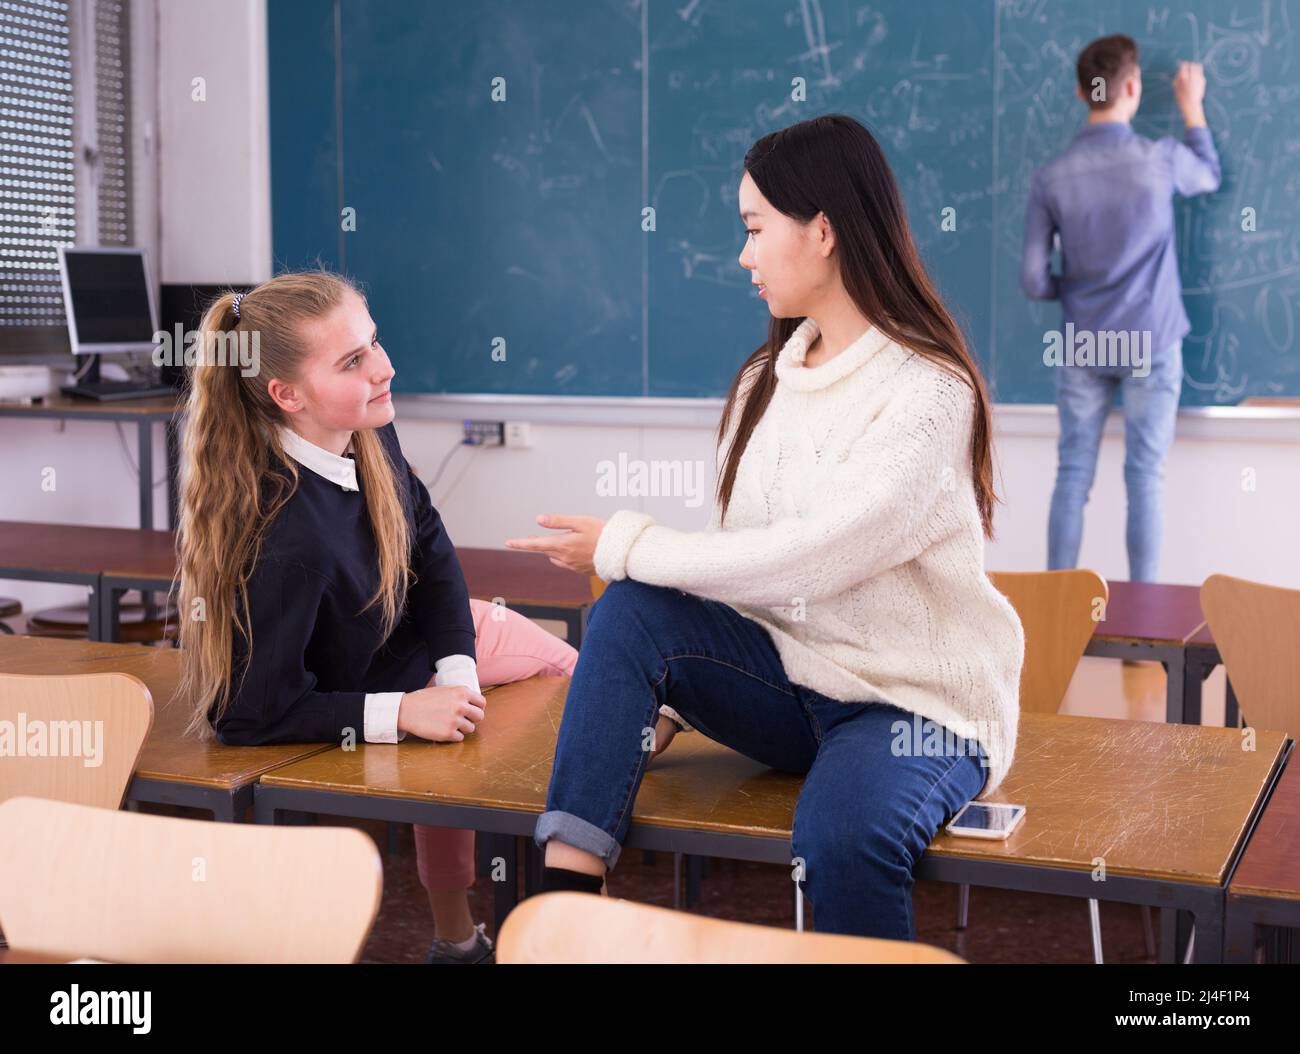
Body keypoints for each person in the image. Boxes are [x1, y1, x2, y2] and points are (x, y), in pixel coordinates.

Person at [507, 115, 1025, 939]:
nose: (743, 255)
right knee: (631, 609)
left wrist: (623, 542)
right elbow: (730, 568)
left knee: (843, 839)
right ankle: (562, 918)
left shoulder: (930, 393)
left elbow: (814, 558)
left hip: (907, 707)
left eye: (755, 229)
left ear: (823, 231)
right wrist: (662, 698)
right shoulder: (764, 379)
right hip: (788, 684)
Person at [174, 270, 577, 963]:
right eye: (353, 360)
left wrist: (454, 668)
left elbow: (431, 547)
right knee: (459, 745)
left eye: (375, 343)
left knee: (589, 694)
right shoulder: (284, 540)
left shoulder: (363, 434)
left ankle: (487, 936)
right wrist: (399, 713)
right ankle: (481, 937)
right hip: (377, 677)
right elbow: (243, 714)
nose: (385, 367)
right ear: (286, 394)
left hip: (431, 643)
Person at [1022, 34, 1221, 581]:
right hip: (1151, 337)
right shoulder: (1158, 159)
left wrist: (1079, 288)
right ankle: (1148, 622)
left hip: (1085, 340)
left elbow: (1034, 280)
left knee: (1073, 473)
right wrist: (1191, 107)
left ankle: (1052, 613)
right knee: (1144, 479)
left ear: (1083, 92)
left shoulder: (1051, 178)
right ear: (1131, 87)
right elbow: (1209, 174)